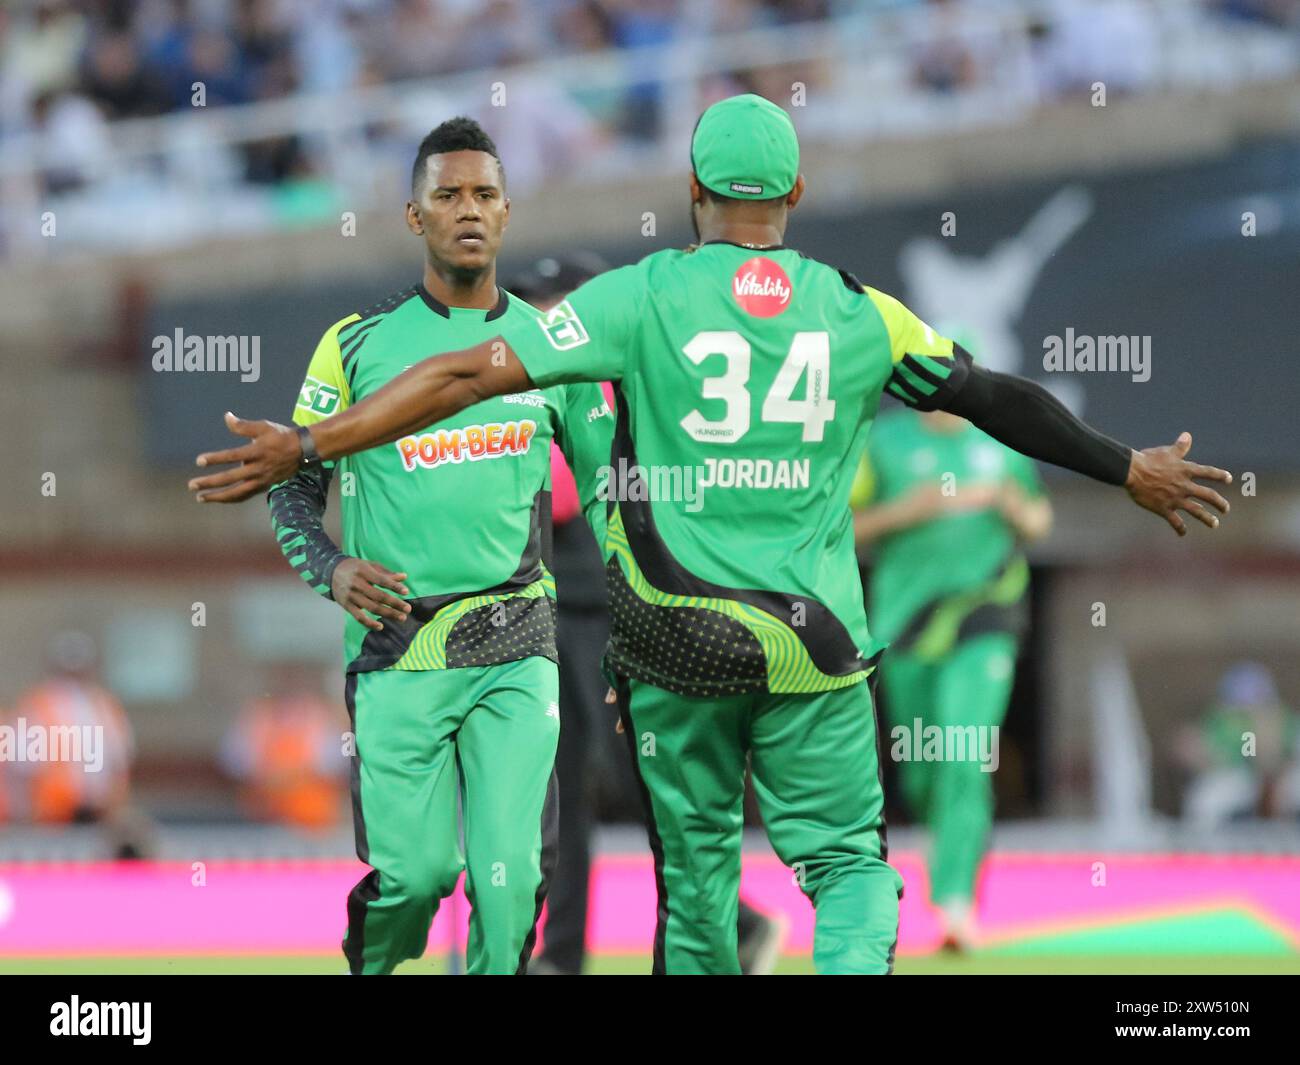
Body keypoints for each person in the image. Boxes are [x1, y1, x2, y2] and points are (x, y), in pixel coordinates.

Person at [189, 94, 1233, 974]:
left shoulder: (639, 298)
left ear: (691, 195)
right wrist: (1126, 466)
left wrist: (311, 443)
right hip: (818, 647)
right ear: (795, 198)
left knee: (694, 885)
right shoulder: (858, 311)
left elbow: (468, 370)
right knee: (847, 869)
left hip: (676, 648)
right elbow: (993, 393)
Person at [261, 118, 613, 974]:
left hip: (517, 645)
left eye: (484, 195)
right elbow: (294, 484)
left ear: (507, 212)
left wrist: (636, 631)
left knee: (510, 880)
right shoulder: (354, 346)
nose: (468, 210)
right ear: (414, 216)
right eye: (447, 195)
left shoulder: (552, 347)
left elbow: (611, 496)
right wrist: (332, 567)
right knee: (415, 877)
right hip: (398, 647)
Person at [512, 254, 789, 974]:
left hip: (620, 614)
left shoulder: (615, 380)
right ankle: (561, 955)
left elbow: (565, 496)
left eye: (555, 301)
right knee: (561, 789)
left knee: (645, 778)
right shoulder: (549, 381)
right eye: (535, 302)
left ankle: (730, 925)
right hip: (557, 613)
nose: (545, 317)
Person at [852, 392, 1052, 951]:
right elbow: (840, 525)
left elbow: (1039, 518)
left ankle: (957, 902)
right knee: (923, 769)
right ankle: (943, 860)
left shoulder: (1001, 443)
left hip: (983, 617)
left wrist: (1017, 511)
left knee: (964, 751)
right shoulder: (883, 441)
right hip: (907, 623)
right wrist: (904, 512)